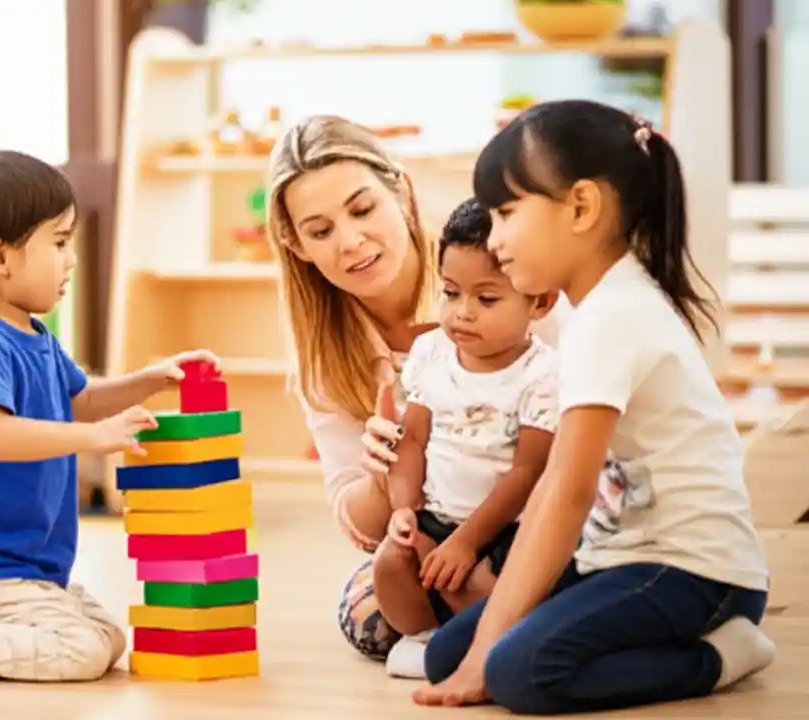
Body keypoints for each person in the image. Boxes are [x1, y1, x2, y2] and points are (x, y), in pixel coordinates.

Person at [412, 99, 774, 714]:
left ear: (581, 207)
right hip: (619, 559)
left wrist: (489, 657)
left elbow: (564, 491)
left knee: (519, 673)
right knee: (447, 655)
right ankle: (508, 652)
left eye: (506, 213)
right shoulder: (598, 308)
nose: (494, 241)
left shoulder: (615, 315)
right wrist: (478, 651)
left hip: (692, 570)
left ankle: (721, 654)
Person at [0, 149, 216, 681]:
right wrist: (92, 438)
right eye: (59, 242)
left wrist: (147, 380)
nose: (70, 259)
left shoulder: (34, 336)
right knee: (81, 653)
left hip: (33, 568)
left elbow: (77, 400)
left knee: (110, 638)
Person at [264, 114, 562, 662]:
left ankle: (510, 619)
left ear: (399, 191)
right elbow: (356, 519)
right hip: (432, 522)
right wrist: (380, 479)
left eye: (362, 209)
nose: (350, 242)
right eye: (320, 230)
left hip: (538, 512)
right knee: (367, 618)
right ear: (296, 244)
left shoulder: (494, 268)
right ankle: (500, 623)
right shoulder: (326, 353)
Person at [373, 198, 559, 679]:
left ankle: (484, 638)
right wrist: (403, 509)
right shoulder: (430, 352)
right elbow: (411, 438)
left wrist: (465, 542)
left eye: (487, 298)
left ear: (539, 301)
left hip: (502, 530)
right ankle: (424, 638)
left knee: (472, 582)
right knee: (391, 564)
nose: (462, 314)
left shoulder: (542, 375)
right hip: (436, 514)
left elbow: (527, 472)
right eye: (451, 293)